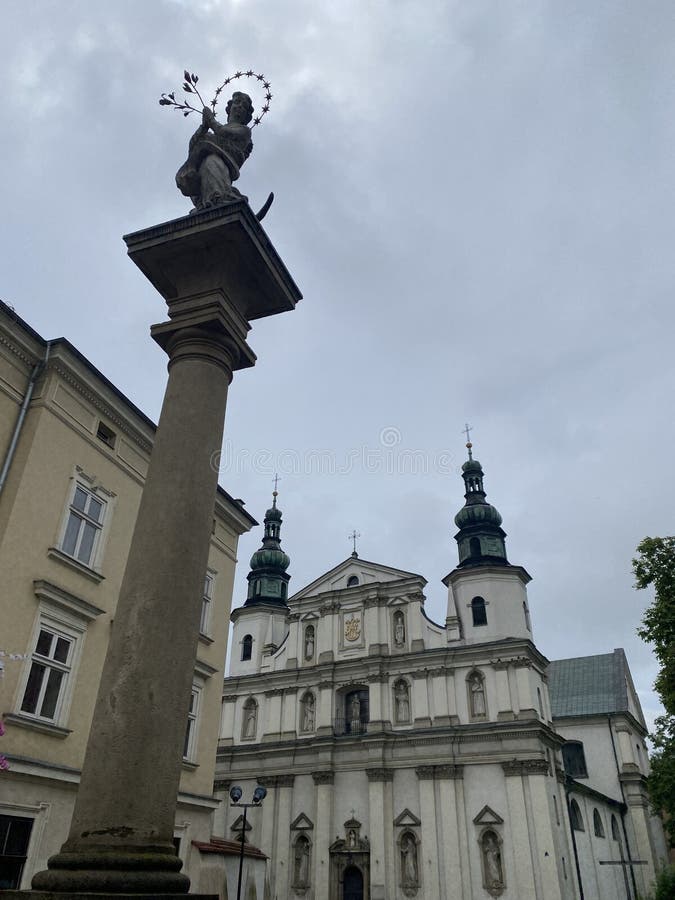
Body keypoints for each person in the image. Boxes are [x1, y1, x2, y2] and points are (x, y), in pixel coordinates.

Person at [176, 92, 254, 209]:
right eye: (237, 102)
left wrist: (211, 121)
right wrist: (204, 126)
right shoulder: (213, 134)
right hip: (204, 164)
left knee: (211, 161)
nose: (240, 107)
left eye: (244, 106)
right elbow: (193, 145)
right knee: (203, 161)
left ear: (246, 115)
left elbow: (224, 133)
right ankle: (203, 201)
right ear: (230, 107)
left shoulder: (245, 130)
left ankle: (218, 197)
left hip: (226, 163)